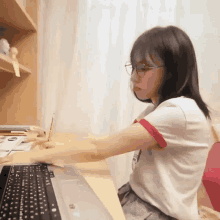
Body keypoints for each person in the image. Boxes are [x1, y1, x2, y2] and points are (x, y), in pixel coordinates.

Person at [0, 25, 212, 220]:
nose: (134, 76)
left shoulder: (179, 112)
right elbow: (109, 141)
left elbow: (100, 148)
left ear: (173, 70)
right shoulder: (158, 109)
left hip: (157, 212)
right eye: (134, 67)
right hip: (138, 196)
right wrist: (56, 146)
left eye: (144, 68)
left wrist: (27, 156)